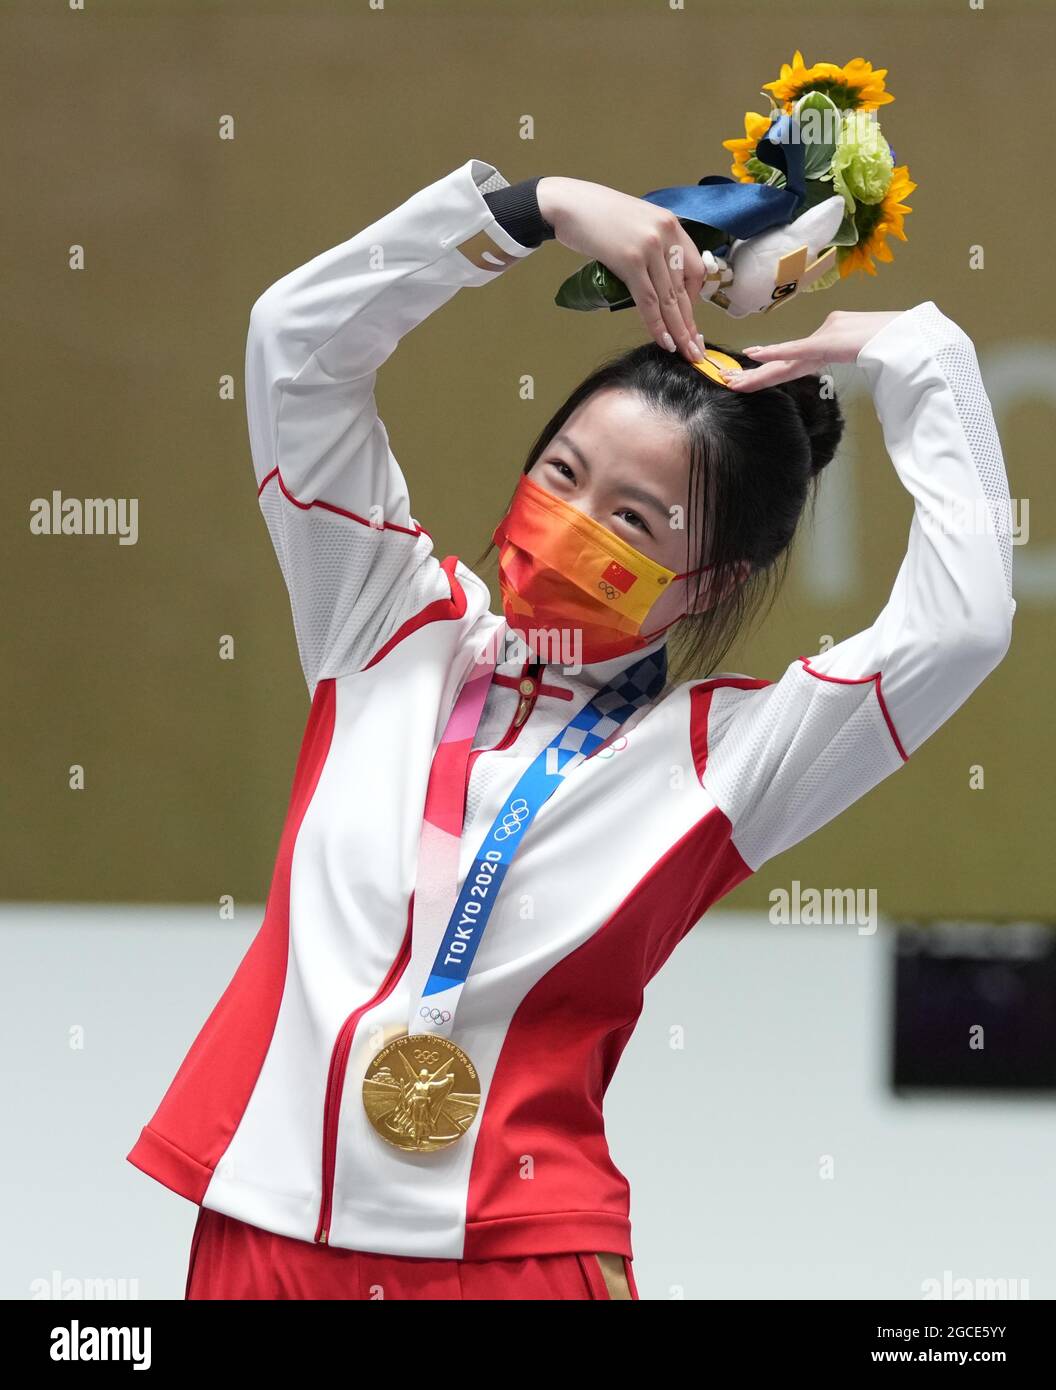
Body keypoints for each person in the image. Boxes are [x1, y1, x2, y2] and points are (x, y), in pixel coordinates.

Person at [126, 158, 1015, 1301]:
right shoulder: (388, 623)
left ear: (703, 587)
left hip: (519, 1256)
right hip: (258, 1227)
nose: (572, 522)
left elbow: (960, 628)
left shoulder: (723, 757)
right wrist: (534, 211)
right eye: (562, 473)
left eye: (634, 518)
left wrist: (919, 358)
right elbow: (295, 347)